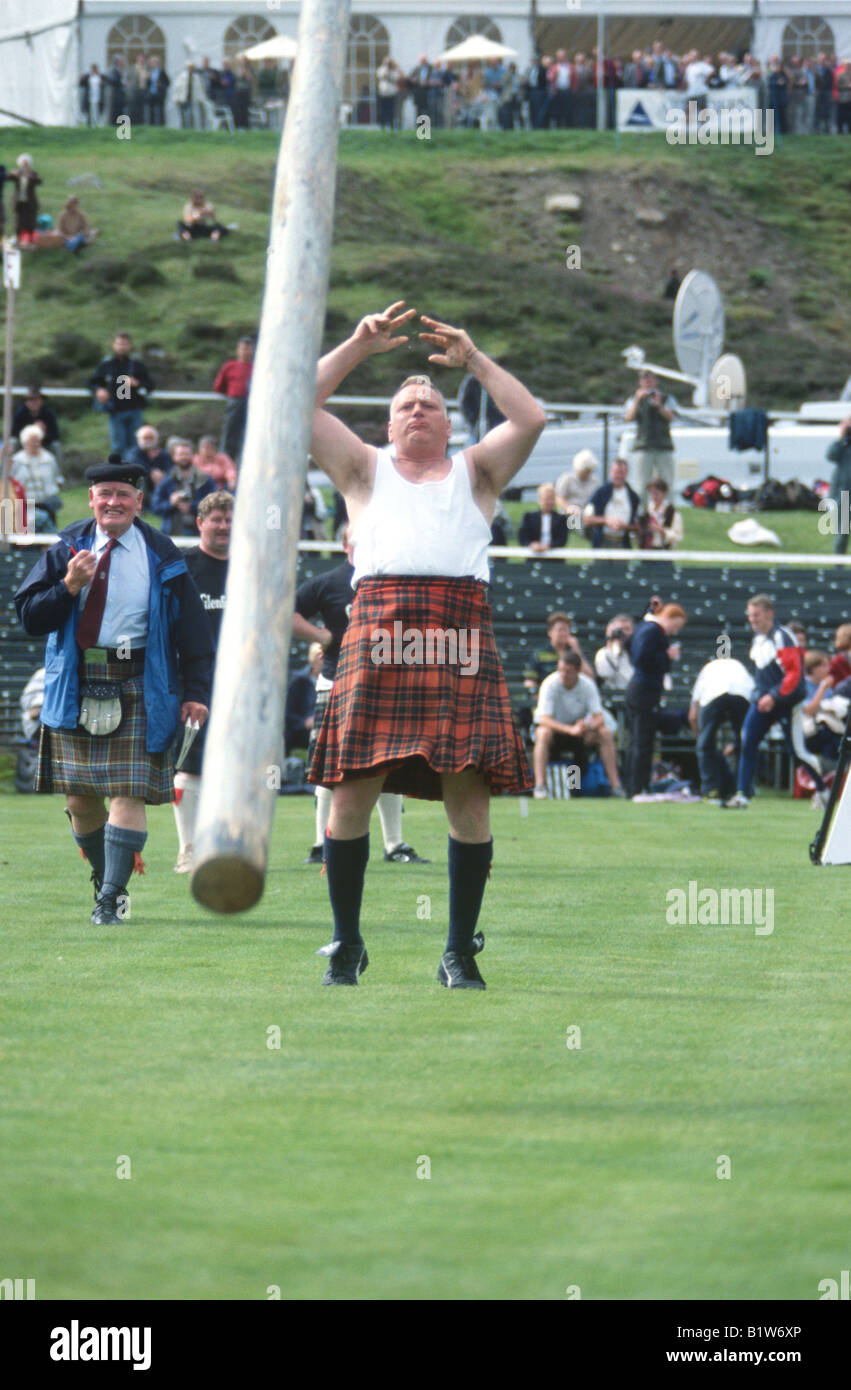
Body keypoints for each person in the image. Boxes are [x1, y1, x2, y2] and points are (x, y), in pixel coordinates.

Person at [308, 300, 544, 987]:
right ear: (387, 425)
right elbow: (292, 405)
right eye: (406, 402)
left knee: (467, 794)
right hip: (378, 631)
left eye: (431, 403)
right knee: (352, 793)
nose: (418, 408)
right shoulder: (362, 469)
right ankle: (346, 945)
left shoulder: (477, 472)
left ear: (449, 423)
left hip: (459, 632)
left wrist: (472, 360)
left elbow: (529, 418)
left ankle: (457, 952)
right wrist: (357, 346)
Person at [14, 456, 213, 925]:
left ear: (139, 502)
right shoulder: (67, 548)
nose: (113, 502)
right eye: (105, 494)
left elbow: (196, 635)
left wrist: (197, 691)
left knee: (127, 792)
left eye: (124, 495)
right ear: (91, 500)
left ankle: (110, 901)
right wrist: (68, 586)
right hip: (76, 682)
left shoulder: (162, 553)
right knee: (79, 799)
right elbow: (28, 617)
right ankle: (106, 881)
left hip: (140, 681)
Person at [293, 524, 430, 867]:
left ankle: (394, 845)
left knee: (390, 763)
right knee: (327, 767)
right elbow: (285, 612)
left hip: (385, 686)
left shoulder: (391, 580)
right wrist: (321, 638)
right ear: (344, 544)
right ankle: (321, 844)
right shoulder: (328, 583)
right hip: (336, 684)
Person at [172, 492, 233, 873]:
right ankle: (188, 849)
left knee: (235, 767)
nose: (224, 527)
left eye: (230, 520)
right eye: (216, 520)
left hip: (241, 683)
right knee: (191, 763)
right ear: (200, 523)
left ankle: (226, 846)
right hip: (195, 681)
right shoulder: (184, 567)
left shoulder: (249, 567)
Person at [726, 594, 828, 809]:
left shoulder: (782, 636)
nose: (753, 619)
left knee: (797, 751)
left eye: (757, 615)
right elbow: (763, 672)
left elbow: (793, 673)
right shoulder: (758, 639)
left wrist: (774, 696)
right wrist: (761, 695)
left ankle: (822, 789)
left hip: (786, 701)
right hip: (763, 699)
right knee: (748, 741)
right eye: (750, 615)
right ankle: (742, 794)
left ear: (769, 613)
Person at [532, 652, 625, 798]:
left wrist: (588, 726)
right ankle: (540, 786)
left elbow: (599, 718)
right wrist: (569, 729)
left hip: (580, 733)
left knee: (605, 733)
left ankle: (615, 786)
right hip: (556, 732)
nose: (563, 674)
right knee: (542, 733)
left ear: (577, 671)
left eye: (568, 671)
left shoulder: (588, 685)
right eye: (561, 670)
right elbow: (543, 719)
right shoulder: (549, 684)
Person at [624, 602, 688, 798]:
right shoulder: (653, 630)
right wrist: (667, 656)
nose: (673, 632)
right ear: (669, 618)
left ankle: (634, 786)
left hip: (639, 689)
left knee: (637, 740)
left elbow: (628, 645)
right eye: (675, 626)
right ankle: (638, 787)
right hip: (645, 690)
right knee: (643, 741)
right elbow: (642, 658)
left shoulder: (644, 627)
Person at [687, 656, 754, 800]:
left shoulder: (707, 669)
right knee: (745, 743)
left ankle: (710, 789)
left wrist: (700, 738)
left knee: (705, 744)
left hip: (713, 694)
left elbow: (693, 716)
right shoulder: (738, 665)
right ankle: (743, 789)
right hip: (742, 694)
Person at [87, 333, 154, 458]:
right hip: (115, 410)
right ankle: (119, 474)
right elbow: (92, 382)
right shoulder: (106, 364)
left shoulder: (136, 365)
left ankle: (134, 473)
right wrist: (99, 390)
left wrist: (137, 383)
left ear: (130, 346)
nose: (122, 347)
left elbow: (150, 385)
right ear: (113, 345)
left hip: (134, 409)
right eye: (119, 344)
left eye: (125, 344)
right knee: (118, 446)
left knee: (136, 446)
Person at [623, 370, 676, 502]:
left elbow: (671, 417)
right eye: (645, 379)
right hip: (643, 446)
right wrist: (637, 400)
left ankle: (669, 515)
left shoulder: (666, 398)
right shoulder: (633, 399)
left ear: (656, 381)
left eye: (650, 379)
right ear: (640, 382)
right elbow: (629, 418)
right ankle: (642, 516)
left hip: (663, 446)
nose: (648, 382)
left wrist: (659, 405)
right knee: (641, 484)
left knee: (667, 482)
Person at [151, 440, 216, 537]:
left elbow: (214, 506)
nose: (184, 457)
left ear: (193, 456)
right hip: (171, 534)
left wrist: (192, 507)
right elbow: (155, 507)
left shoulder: (206, 480)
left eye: (187, 454)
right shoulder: (166, 482)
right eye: (180, 454)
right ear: (174, 457)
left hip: (200, 534)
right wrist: (171, 503)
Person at [11, 425, 64, 531]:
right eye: (33, 441)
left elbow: (56, 477)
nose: (36, 444)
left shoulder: (49, 458)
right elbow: (12, 482)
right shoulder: (16, 460)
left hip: (47, 502)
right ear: (25, 442)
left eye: (38, 441)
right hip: (25, 505)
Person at [584, 457, 640, 549]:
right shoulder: (600, 493)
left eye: (621, 473)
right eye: (616, 472)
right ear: (610, 473)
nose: (619, 476)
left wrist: (625, 526)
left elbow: (639, 525)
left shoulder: (633, 497)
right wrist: (607, 521)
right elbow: (587, 519)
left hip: (622, 543)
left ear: (627, 474)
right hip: (602, 543)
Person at [213, 338, 254, 463]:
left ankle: (246, 461)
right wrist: (233, 394)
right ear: (238, 350)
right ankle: (225, 461)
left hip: (253, 404)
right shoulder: (230, 366)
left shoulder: (257, 366)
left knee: (249, 433)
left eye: (248, 349)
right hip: (235, 402)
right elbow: (219, 387)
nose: (245, 352)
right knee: (230, 432)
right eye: (243, 348)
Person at [285, 642, 324, 755]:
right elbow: (287, 715)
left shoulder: (336, 684)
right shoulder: (298, 683)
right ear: (313, 659)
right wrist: (305, 722)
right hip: (302, 736)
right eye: (321, 657)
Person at [518, 482, 569, 552]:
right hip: (533, 555)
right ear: (539, 500)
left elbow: (562, 540)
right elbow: (523, 538)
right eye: (547, 499)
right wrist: (532, 544)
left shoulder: (561, 519)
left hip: (554, 556)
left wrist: (549, 546)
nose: (550, 502)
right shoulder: (529, 517)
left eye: (552, 499)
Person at [126, 424, 171, 504]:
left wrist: (162, 475)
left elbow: (170, 468)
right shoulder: (133, 453)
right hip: (143, 486)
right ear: (139, 440)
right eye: (145, 438)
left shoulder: (164, 454)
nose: (148, 441)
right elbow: (136, 466)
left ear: (157, 439)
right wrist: (152, 471)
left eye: (151, 438)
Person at [12, 386, 61, 458]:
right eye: (30, 400)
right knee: (13, 442)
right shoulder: (20, 413)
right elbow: (14, 433)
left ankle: (57, 469)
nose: (34, 402)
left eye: (36, 399)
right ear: (26, 402)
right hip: (24, 443)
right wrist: (30, 431)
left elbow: (55, 435)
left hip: (44, 443)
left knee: (56, 446)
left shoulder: (48, 414)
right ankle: (9, 468)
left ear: (42, 401)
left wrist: (42, 433)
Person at [826, 416, 851, 555]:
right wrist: (842, 437)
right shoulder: (843, 444)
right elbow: (830, 456)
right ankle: (838, 568)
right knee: (842, 532)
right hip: (844, 494)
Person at [638, 476, 683, 549]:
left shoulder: (672, 513)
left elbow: (678, 537)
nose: (654, 496)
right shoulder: (646, 512)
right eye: (651, 493)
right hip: (647, 552)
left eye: (656, 493)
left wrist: (661, 530)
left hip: (664, 552)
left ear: (664, 493)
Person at [594, 614, 635, 692]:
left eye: (627, 629)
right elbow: (606, 673)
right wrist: (614, 648)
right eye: (619, 630)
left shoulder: (639, 652)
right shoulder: (604, 654)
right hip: (615, 695)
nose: (623, 633)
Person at [8, 154, 42, 248]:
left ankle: (31, 241)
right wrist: (12, 174)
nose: (25, 166)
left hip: (30, 203)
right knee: (18, 222)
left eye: (26, 164)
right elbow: (9, 177)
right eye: (23, 164)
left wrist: (30, 176)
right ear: (20, 164)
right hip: (19, 203)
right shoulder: (17, 173)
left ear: (29, 165)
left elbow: (39, 181)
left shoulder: (32, 173)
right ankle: (18, 240)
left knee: (30, 222)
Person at [555, 448, 598, 522]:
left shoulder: (595, 481)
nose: (587, 474)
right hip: (569, 514)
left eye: (589, 471)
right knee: (574, 522)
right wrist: (570, 509)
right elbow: (559, 498)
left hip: (587, 515)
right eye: (585, 471)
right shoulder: (567, 479)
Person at [146, 55, 170, 125]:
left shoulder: (161, 72)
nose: (152, 64)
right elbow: (148, 84)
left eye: (154, 62)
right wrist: (147, 79)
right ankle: (151, 125)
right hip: (151, 93)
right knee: (151, 110)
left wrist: (161, 85)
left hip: (159, 94)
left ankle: (161, 124)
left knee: (160, 110)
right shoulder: (150, 72)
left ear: (157, 63)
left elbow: (168, 83)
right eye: (151, 62)